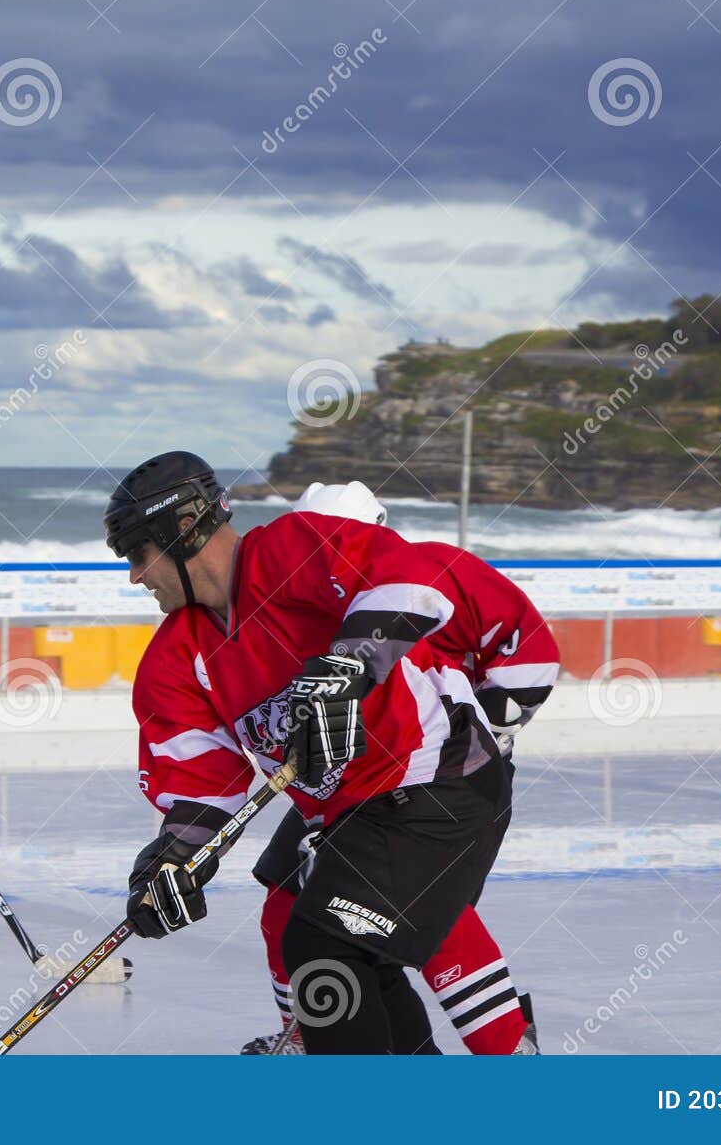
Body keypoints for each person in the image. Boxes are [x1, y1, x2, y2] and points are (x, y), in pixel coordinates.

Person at [106, 451, 521, 1054]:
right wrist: (171, 863)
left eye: (138, 556)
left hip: (441, 778)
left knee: (321, 947)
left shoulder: (291, 550)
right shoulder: (176, 659)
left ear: (180, 531)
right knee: (350, 959)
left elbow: (411, 580)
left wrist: (349, 664)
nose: (136, 577)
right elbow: (201, 786)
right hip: (353, 816)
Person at [238, 480, 560, 1054]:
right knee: (289, 894)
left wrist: (470, 729)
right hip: (350, 790)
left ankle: (509, 1046)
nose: (320, 562)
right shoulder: (291, 595)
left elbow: (531, 655)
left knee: (427, 917)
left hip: (440, 779)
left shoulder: (432, 571)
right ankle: (313, 1034)